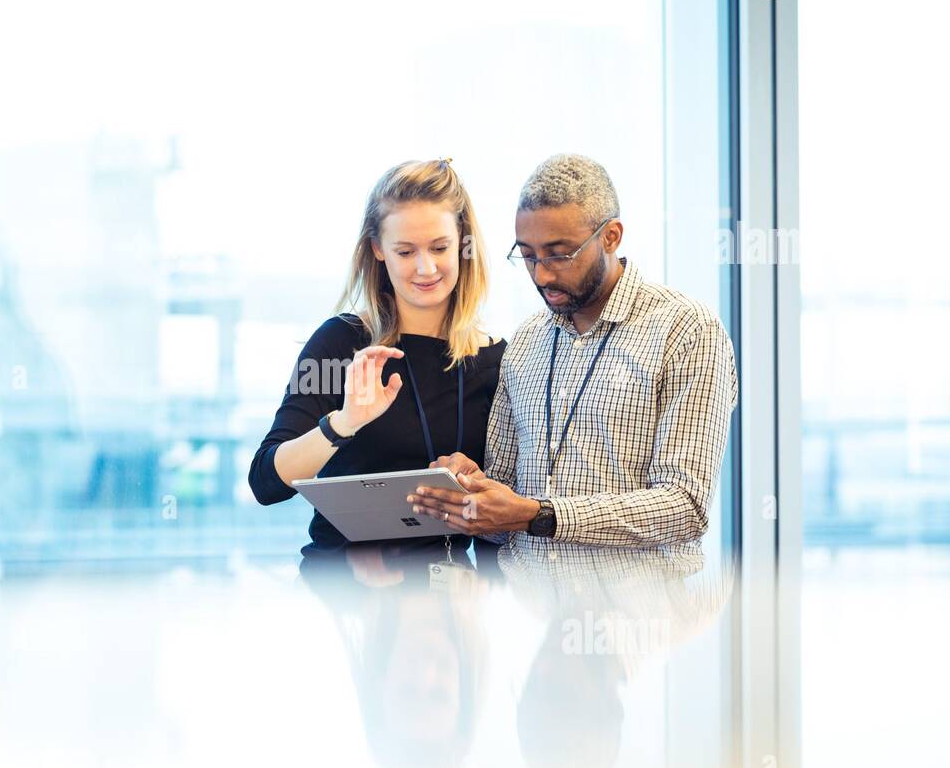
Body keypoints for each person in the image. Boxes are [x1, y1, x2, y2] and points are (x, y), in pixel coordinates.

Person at [407, 153, 738, 551]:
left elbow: (686, 506)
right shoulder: (526, 341)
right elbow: (504, 507)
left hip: (639, 611)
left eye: (560, 253)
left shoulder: (686, 331)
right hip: (528, 608)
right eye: (527, 255)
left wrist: (539, 515)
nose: (542, 274)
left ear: (611, 236)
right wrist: (473, 490)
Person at [247, 158, 505, 556]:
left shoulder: (494, 358)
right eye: (405, 251)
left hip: (447, 600)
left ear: (463, 244)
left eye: (440, 247)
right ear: (377, 249)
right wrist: (342, 425)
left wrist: (476, 481)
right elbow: (265, 482)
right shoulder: (340, 343)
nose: (425, 267)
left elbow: (507, 514)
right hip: (345, 590)